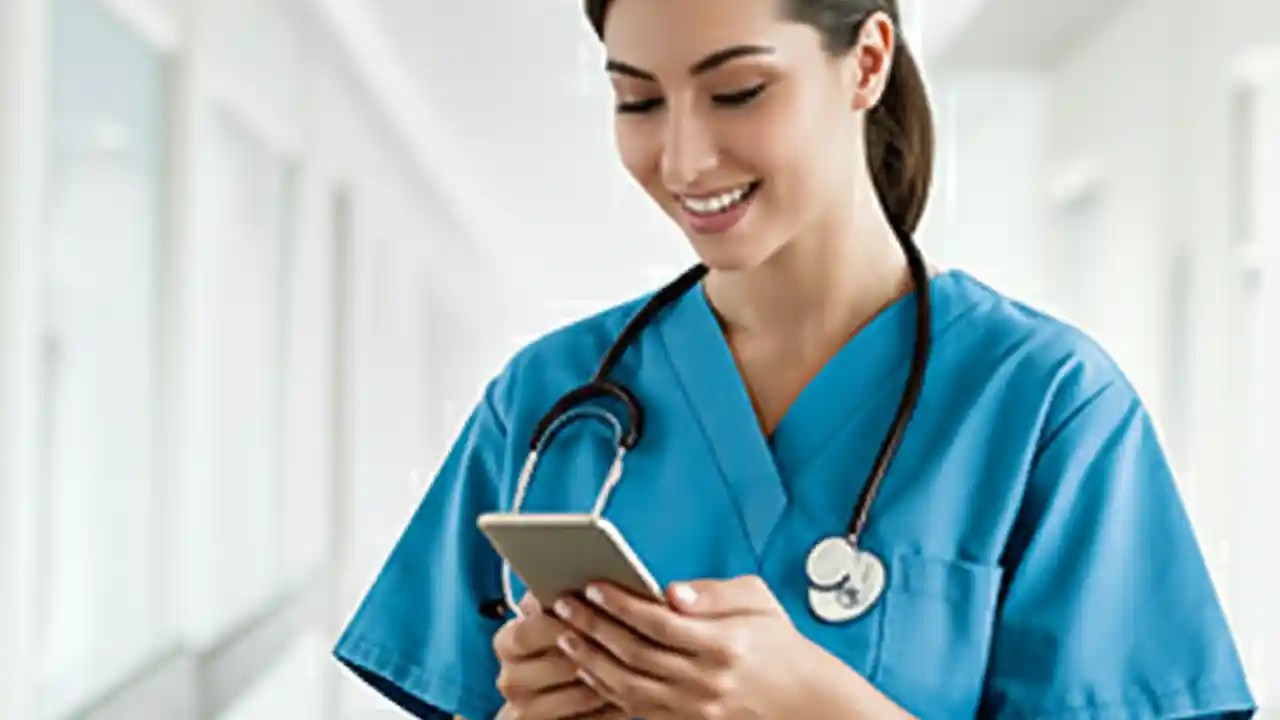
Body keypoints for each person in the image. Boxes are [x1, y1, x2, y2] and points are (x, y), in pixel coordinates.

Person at [332, 0, 1257, 717]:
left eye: (738, 91)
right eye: (638, 100)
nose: (684, 160)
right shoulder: (551, 395)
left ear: (867, 62)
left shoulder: (1047, 405)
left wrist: (817, 706)